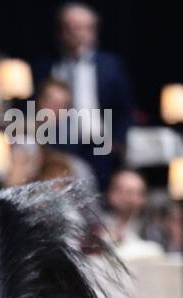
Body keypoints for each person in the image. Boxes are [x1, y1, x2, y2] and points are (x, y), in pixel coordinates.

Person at [33, 4, 132, 187]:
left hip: (99, 146)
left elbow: (124, 108)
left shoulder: (110, 65)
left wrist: (117, 142)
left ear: (94, 30)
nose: (77, 33)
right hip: (57, 144)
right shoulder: (46, 65)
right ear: (61, 31)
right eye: (70, 27)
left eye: (83, 27)